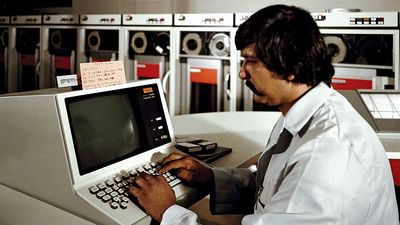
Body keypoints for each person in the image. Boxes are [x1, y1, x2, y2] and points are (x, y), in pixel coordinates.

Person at [130, 4, 399, 225]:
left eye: (252, 61)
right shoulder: (304, 113)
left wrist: (169, 213)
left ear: (291, 67)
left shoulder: (327, 154)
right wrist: (212, 178)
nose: (241, 73)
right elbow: (277, 190)